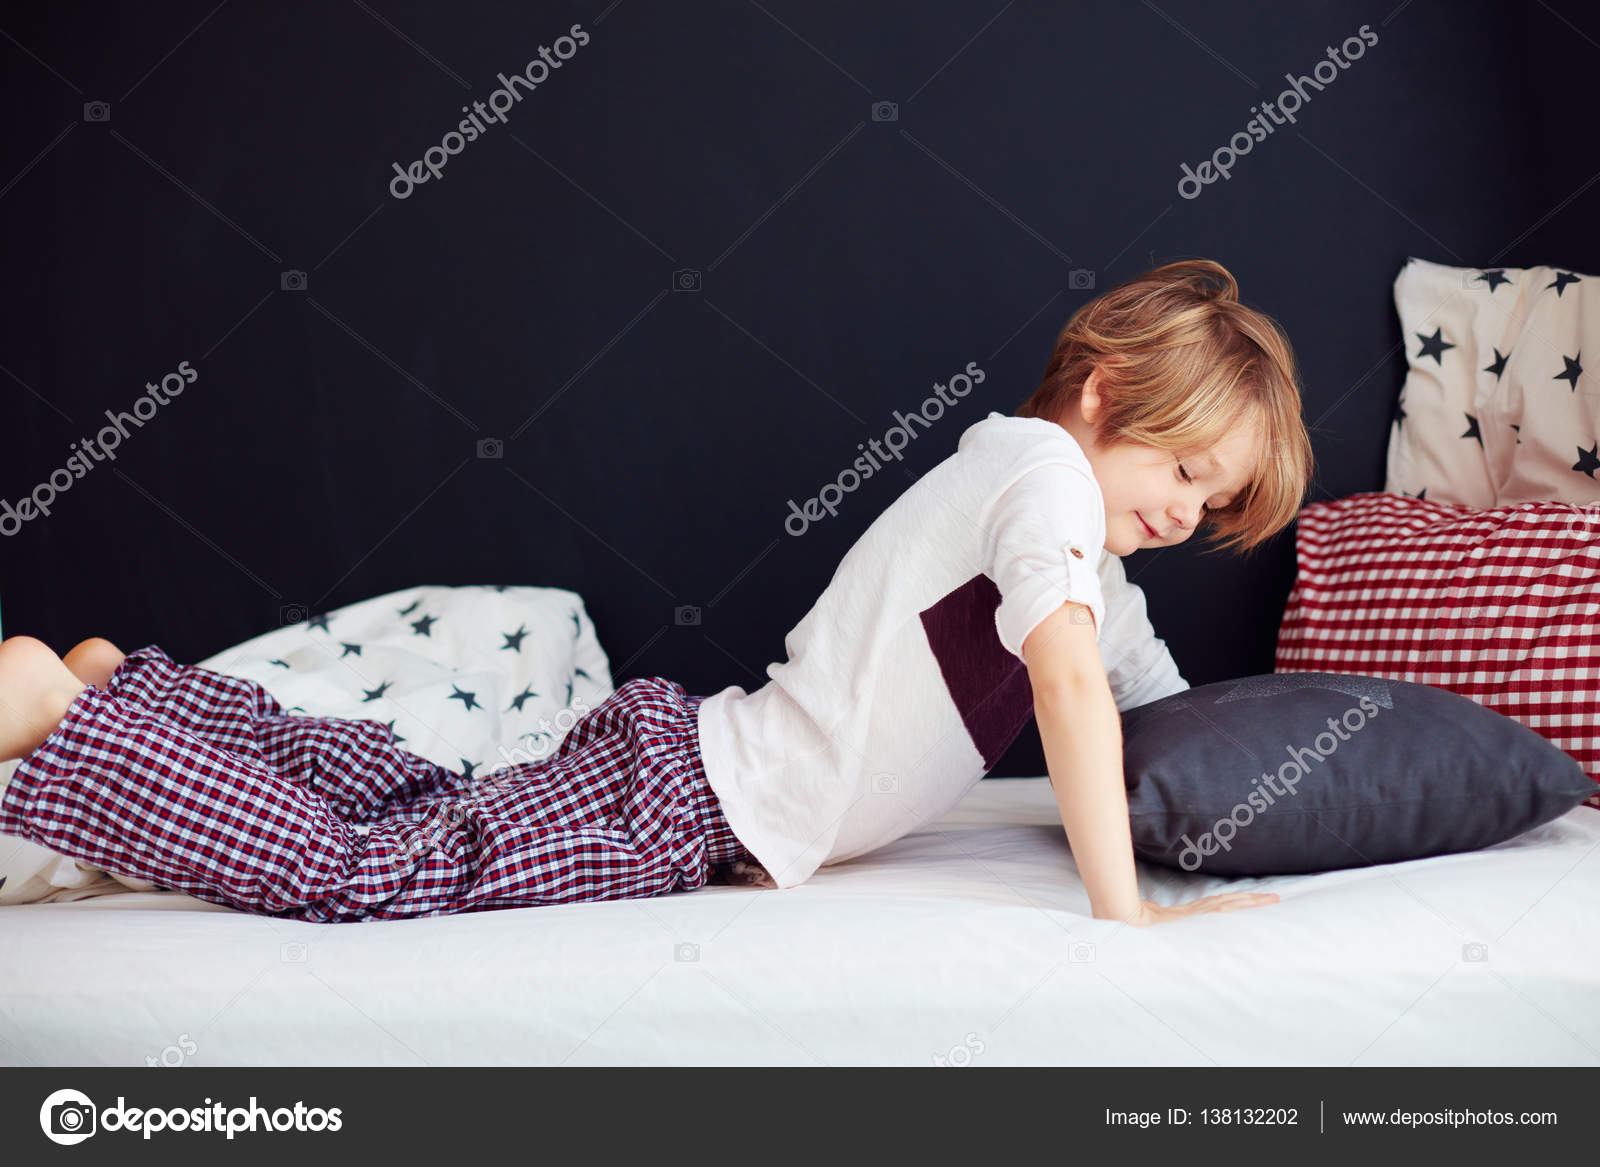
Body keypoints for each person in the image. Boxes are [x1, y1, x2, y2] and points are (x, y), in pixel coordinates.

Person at [0, 259, 1312, 926]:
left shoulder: (1089, 557)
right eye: (1186, 468)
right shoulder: (1041, 477)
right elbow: (1073, 686)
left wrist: (1262, 812)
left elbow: (1162, 711)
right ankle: (67, 728)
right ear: (1102, 396)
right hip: (687, 802)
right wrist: (1123, 910)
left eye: (1212, 507)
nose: (1186, 513)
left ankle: (137, 694)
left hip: (682, 771)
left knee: (425, 806)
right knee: (374, 876)